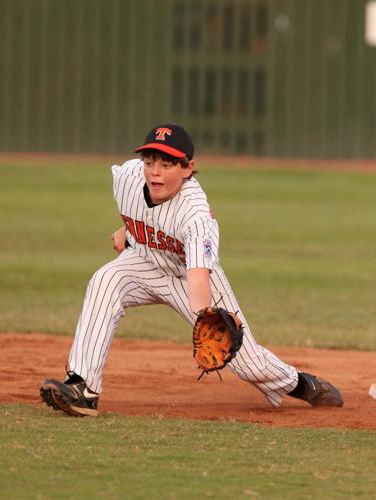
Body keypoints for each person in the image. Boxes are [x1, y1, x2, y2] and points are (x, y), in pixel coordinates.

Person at [40, 123, 343, 416]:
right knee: (105, 280)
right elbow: (142, 208)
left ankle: (302, 385)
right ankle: (82, 388)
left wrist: (205, 318)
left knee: (250, 364)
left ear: (187, 168)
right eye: (150, 160)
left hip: (189, 276)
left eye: (168, 164)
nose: (155, 171)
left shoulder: (197, 215)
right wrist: (127, 230)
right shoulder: (127, 177)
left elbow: (198, 275)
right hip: (143, 261)